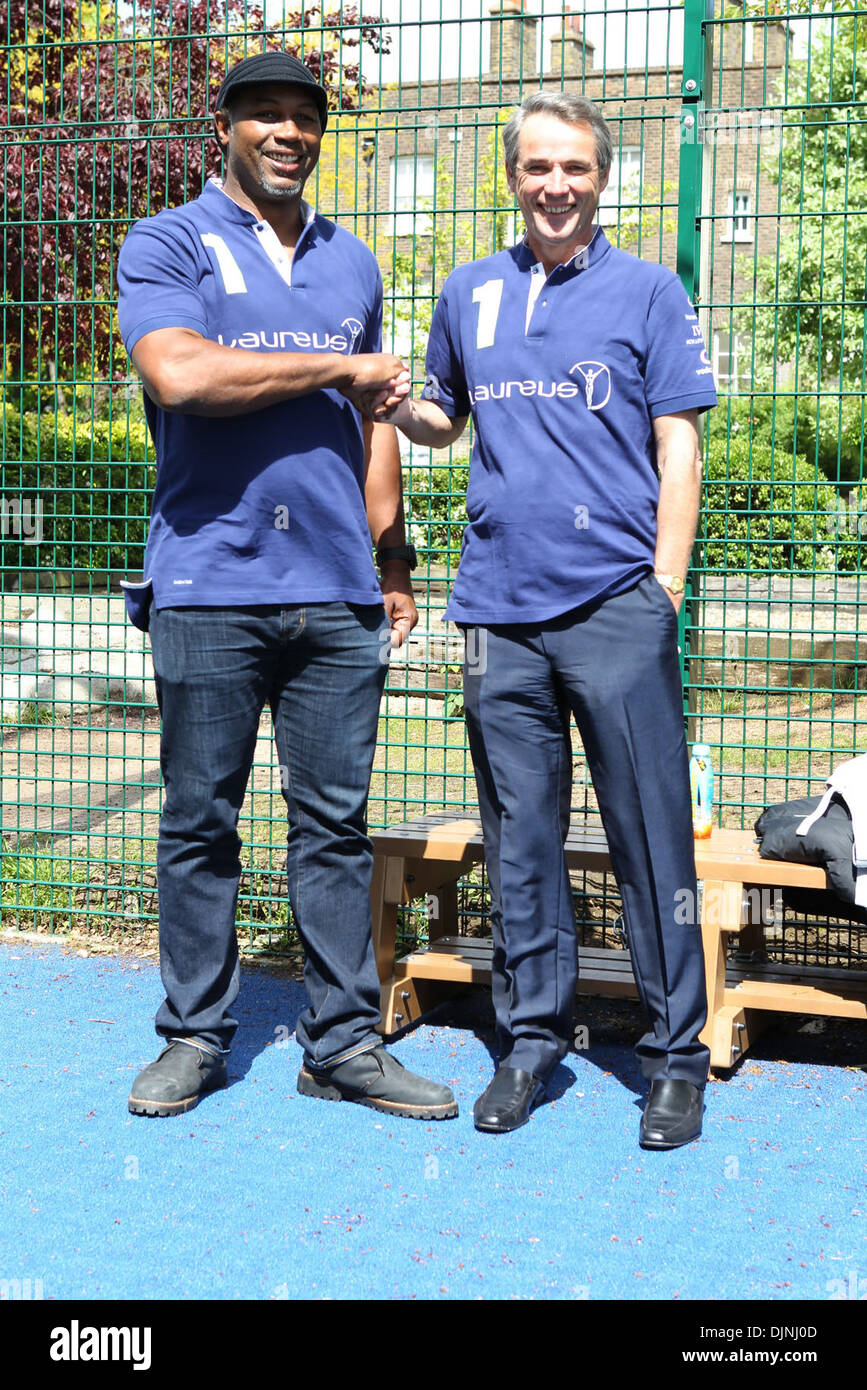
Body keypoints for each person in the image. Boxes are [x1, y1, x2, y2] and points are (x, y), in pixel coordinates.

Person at [116, 51, 457, 1122]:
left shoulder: (351, 261)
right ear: (223, 126)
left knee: (335, 826)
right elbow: (180, 374)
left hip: (337, 592)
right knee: (199, 822)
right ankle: (194, 1035)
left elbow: (376, 423)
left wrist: (392, 558)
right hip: (209, 580)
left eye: (305, 118)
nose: (287, 132)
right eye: (265, 113)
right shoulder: (169, 240)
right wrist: (335, 365)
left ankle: (342, 1043)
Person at [380, 91, 717, 1146]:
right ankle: (532, 1040)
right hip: (496, 613)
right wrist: (388, 397)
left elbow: (680, 448)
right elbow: (443, 416)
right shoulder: (470, 291)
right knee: (518, 840)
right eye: (537, 168)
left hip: (617, 606)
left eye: (575, 168)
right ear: (513, 176)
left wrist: (663, 586)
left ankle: (676, 1057)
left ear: (602, 178)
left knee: (649, 837)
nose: (556, 186)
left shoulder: (650, 293)